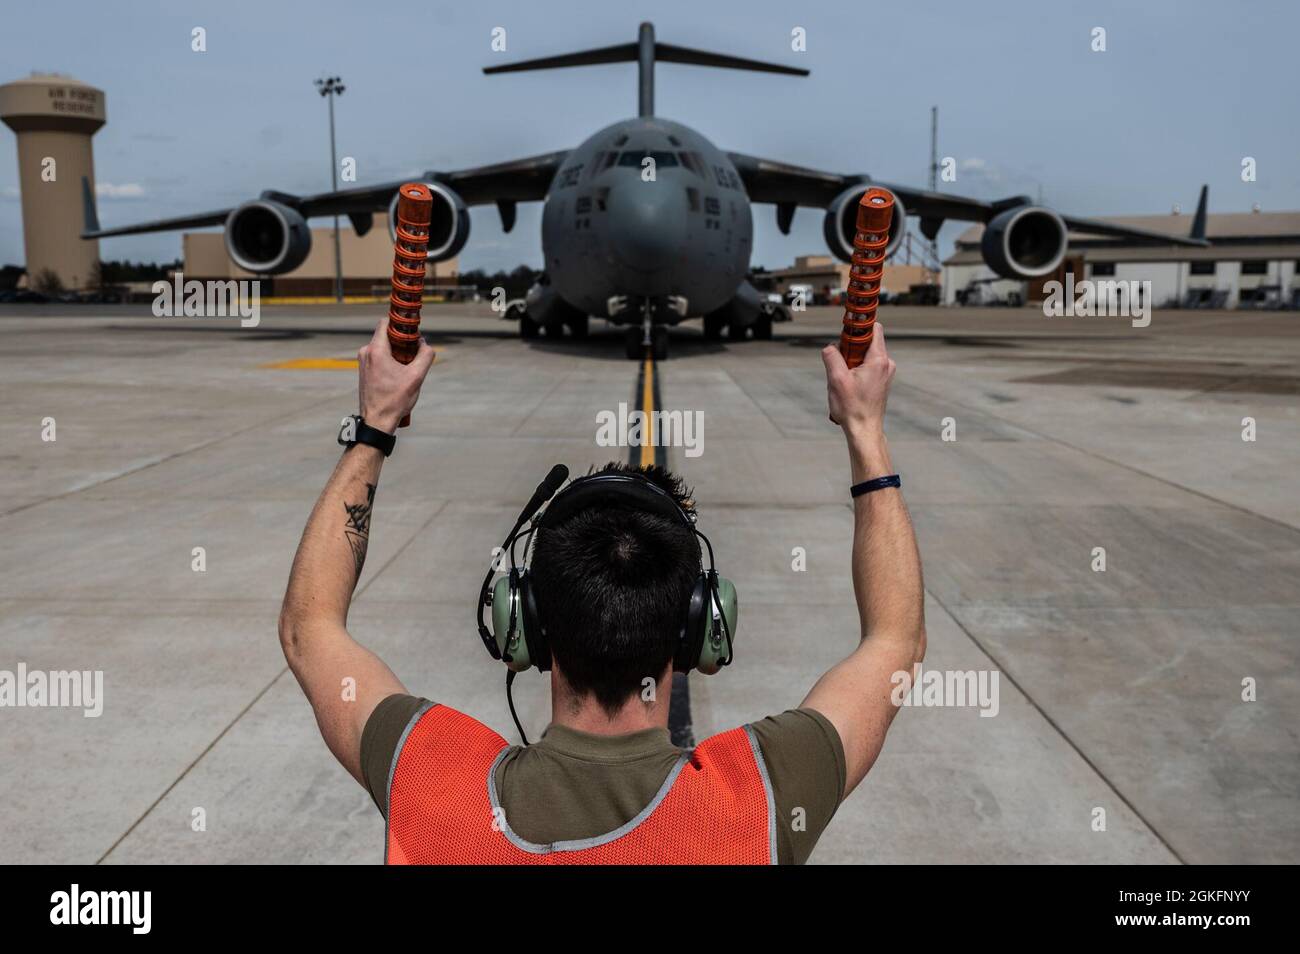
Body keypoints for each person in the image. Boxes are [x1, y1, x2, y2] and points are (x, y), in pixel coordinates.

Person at [278, 316, 925, 864]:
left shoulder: (429, 776)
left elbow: (310, 629)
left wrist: (376, 424)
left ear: (523, 621)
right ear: (700, 626)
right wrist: (865, 428)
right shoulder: (760, 798)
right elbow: (896, 642)